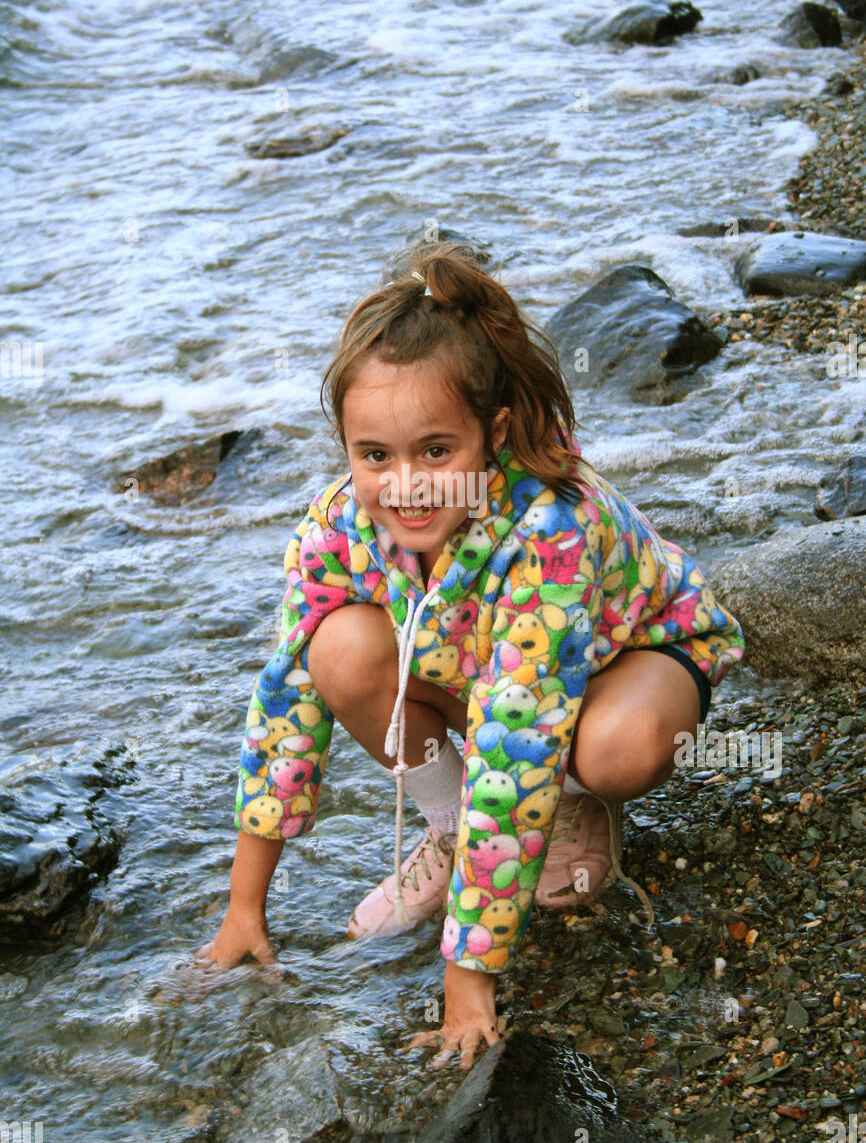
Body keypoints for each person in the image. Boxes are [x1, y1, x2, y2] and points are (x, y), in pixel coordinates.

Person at [196, 241, 746, 1072]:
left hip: (631, 657)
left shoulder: (548, 532)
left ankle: (577, 803)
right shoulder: (338, 525)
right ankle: (455, 830)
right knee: (335, 649)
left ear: (490, 435)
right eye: (375, 455)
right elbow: (285, 707)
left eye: (436, 451)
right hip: (483, 668)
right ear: (345, 445)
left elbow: (516, 739)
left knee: (609, 750)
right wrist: (244, 906)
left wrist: (469, 980)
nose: (407, 484)